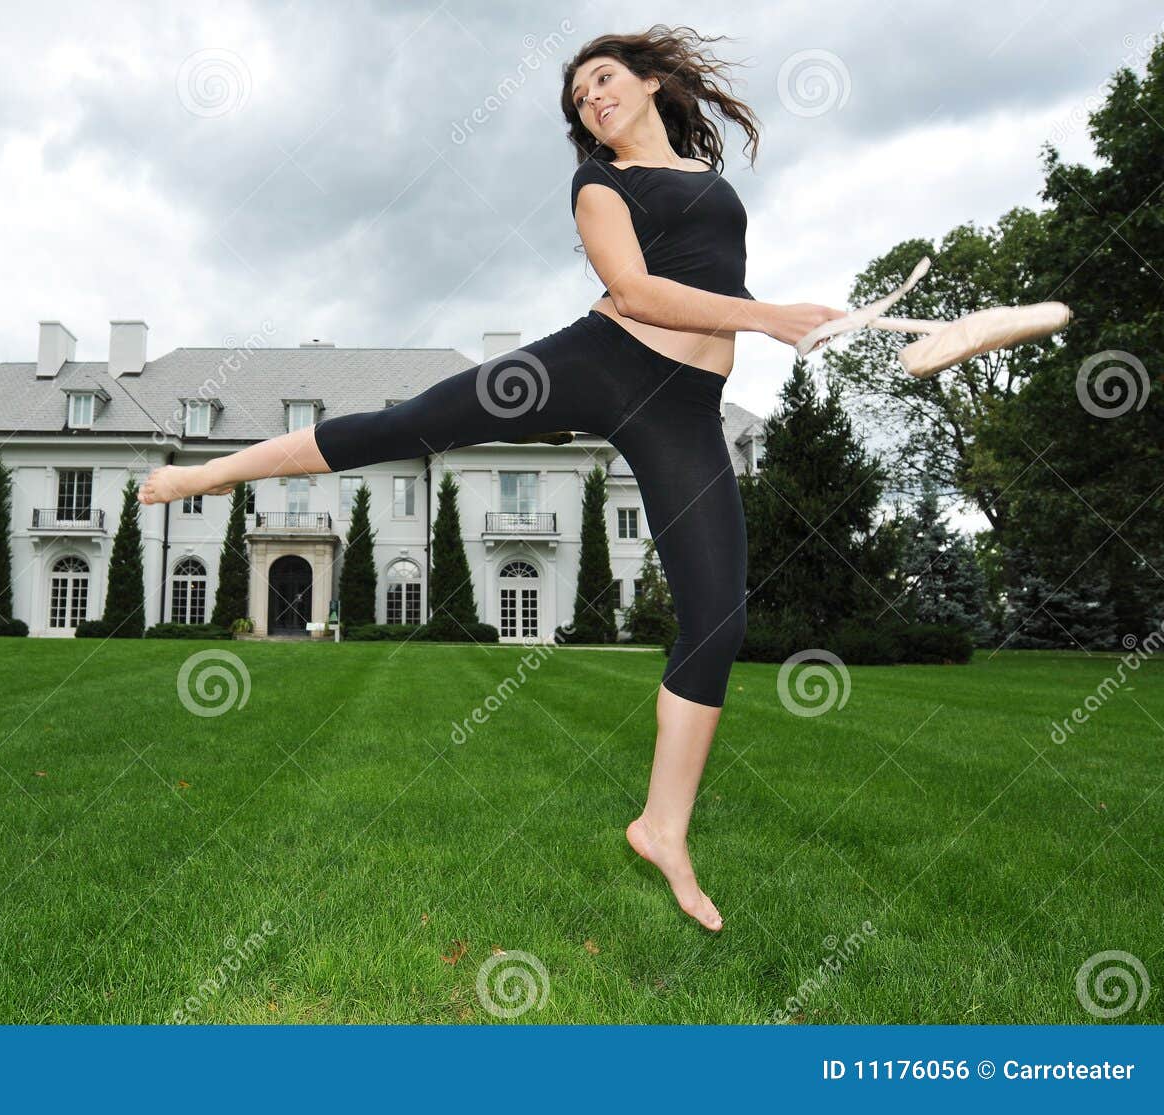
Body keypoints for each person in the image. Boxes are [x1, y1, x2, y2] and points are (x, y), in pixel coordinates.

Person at [141, 26, 844, 931]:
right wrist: (771, 317)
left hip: (683, 412)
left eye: (603, 79)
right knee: (408, 429)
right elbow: (634, 293)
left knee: (719, 617)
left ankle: (662, 827)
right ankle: (214, 473)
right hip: (600, 363)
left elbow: (707, 290)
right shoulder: (600, 186)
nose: (592, 98)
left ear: (652, 80)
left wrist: (772, 320)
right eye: (579, 98)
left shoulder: (716, 190)